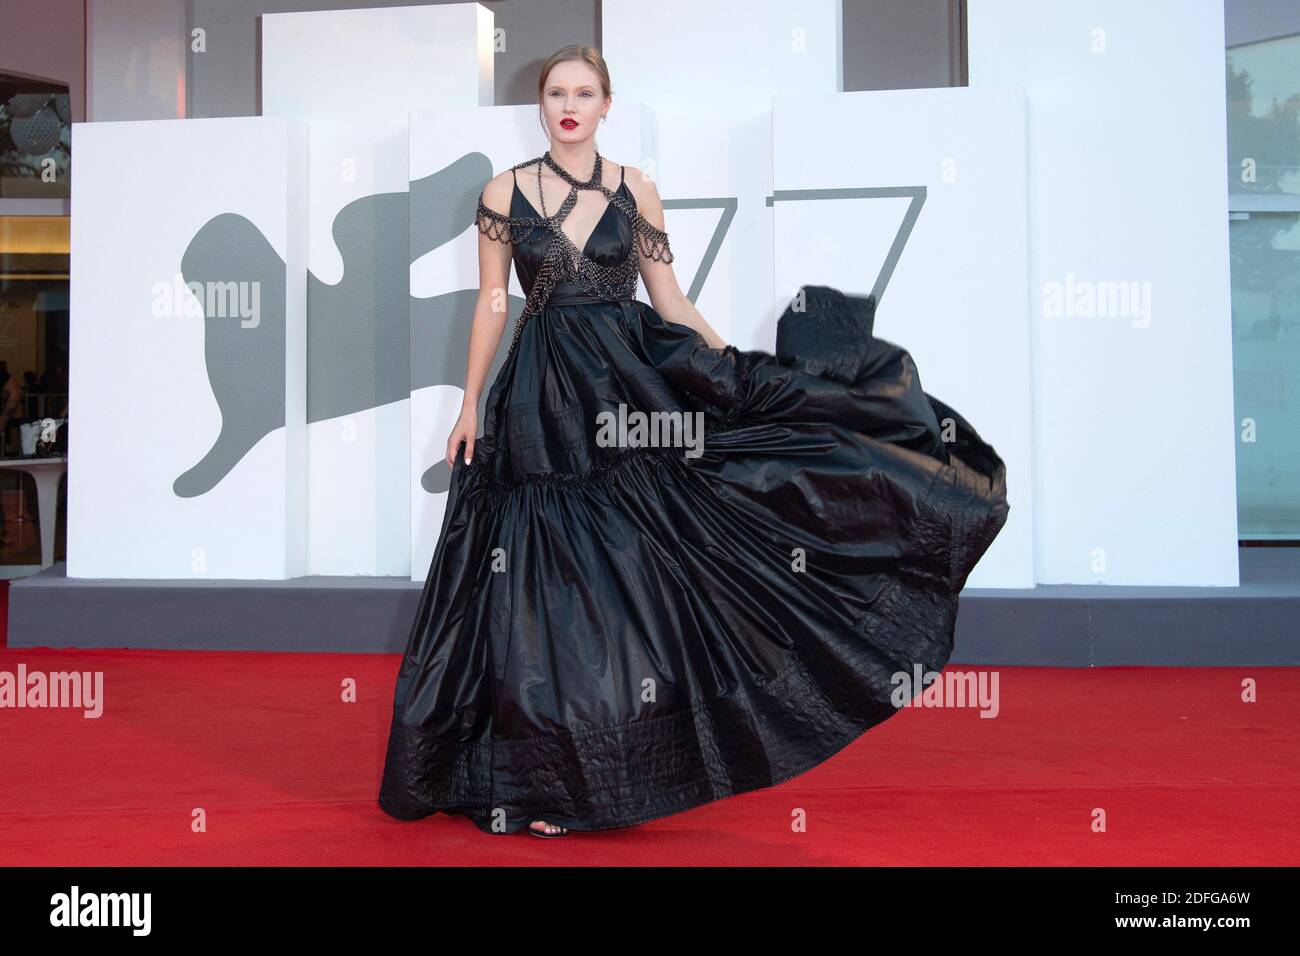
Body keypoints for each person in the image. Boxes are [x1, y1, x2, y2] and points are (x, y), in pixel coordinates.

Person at [378, 45, 1009, 838]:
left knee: (627, 575)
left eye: (584, 92)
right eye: (555, 93)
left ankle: (614, 763)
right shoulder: (501, 191)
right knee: (539, 588)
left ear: (608, 104)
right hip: (539, 397)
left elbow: (668, 295)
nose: (569, 104)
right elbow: (493, 305)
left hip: (627, 387)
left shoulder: (638, 190)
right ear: (540, 106)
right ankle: (540, 780)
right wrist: (469, 402)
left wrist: (733, 374)